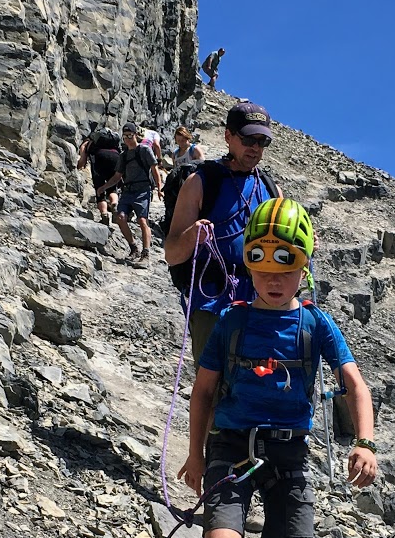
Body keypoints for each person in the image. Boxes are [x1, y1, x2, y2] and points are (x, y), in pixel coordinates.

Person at [177, 198, 379, 538]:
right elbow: (202, 393)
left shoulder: (317, 324)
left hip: (289, 455)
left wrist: (364, 441)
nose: (271, 278)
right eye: (261, 266)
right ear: (248, 262)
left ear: (302, 265)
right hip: (231, 447)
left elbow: (354, 384)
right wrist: (195, 454)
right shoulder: (230, 322)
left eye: (283, 267)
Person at [163, 100, 277, 360]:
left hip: (259, 301)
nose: (255, 148)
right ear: (228, 136)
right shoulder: (200, 182)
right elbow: (172, 254)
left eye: (262, 142)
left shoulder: (270, 189)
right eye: (249, 139)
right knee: (211, 386)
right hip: (210, 299)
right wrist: (193, 235)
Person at [101, 123, 162, 264]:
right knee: (120, 218)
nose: (127, 139)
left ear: (136, 135)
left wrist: (159, 188)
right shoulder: (123, 156)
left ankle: (146, 255)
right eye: (125, 136)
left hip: (143, 190)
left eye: (130, 135)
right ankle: (134, 248)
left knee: (142, 220)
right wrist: (104, 187)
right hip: (128, 191)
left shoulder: (145, 150)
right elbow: (117, 176)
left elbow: (154, 169)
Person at [79, 125, 122, 219]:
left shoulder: (89, 141)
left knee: (99, 189)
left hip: (99, 157)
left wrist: (80, 164)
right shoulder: (113, 141)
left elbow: (83, 154)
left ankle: (104, 214)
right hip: (115, 157)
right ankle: (114, 204)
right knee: (112, 188)